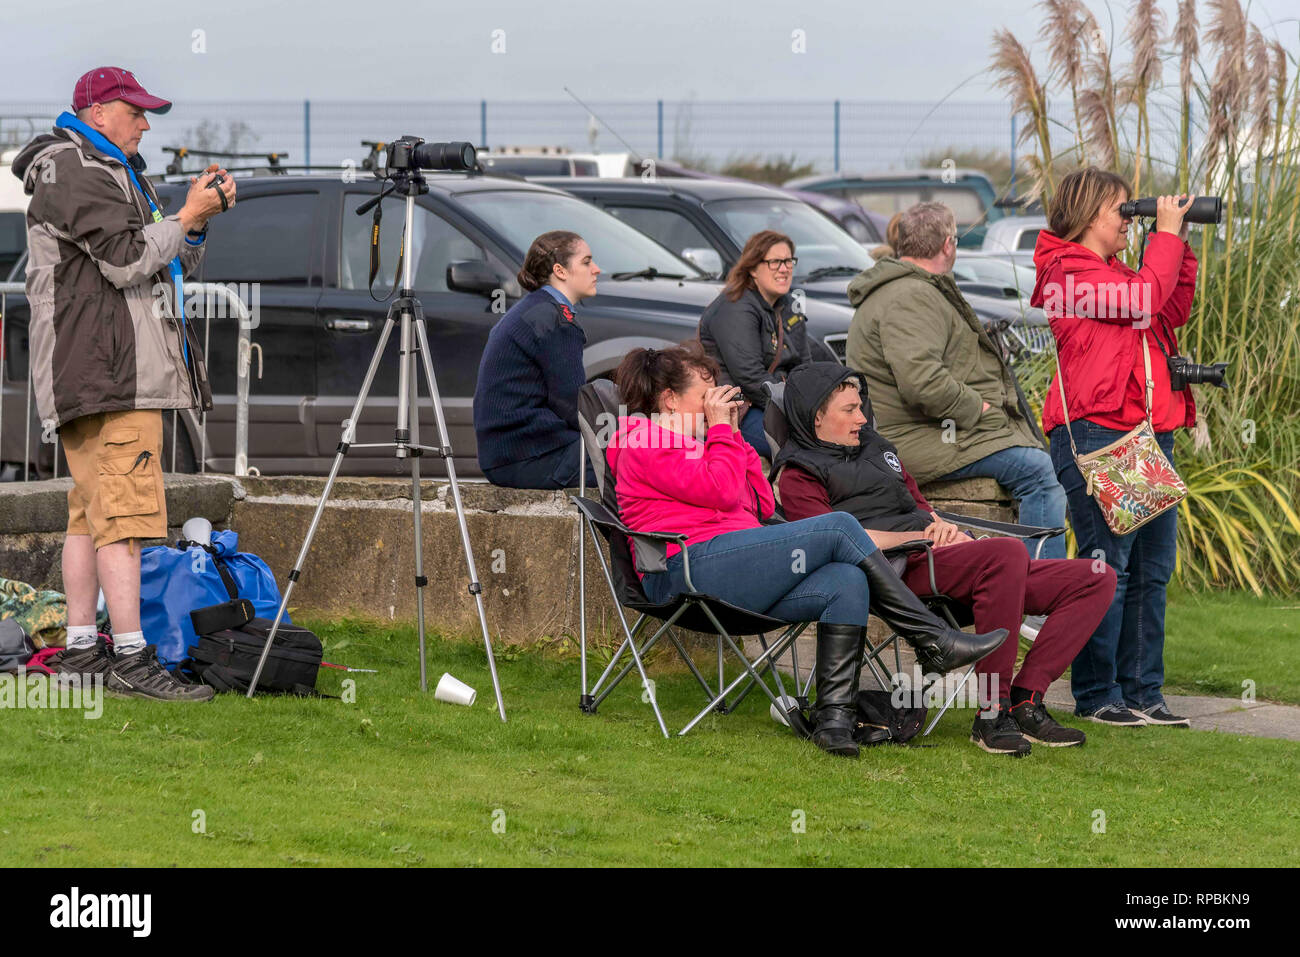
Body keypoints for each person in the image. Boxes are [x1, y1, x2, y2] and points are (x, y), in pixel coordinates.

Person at [608, 344, 1007, 757]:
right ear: (670, 399)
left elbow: (761, 504)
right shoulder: (644, 440)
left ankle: (834, 721)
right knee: (839, 525)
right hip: (685, 570)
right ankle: (932, 638)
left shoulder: (708, 444)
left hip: (735, 566)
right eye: (706, 392)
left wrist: (731, 440)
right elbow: (723, 491)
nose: (718, 399)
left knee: (846, 580)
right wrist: (722, 432)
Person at [13, 67, 236, 700]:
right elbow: (126, 260)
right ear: (99, 111)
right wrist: (188, 210)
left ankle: (84, 651)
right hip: (112, 374)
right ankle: (131, 660)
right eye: (136, 112)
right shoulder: (77, 168)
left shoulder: (110, 168)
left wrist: (195, 222)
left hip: (97, 373)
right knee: (129, 521)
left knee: (88, 516)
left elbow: (164, 255)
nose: (145, 123)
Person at [773, 363, 1117, 755]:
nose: (862, 418)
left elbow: (920, 507)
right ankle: (992, 712)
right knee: (1006, 554)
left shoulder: (878, 450)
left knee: (1095, 576)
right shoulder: (799, 474)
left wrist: (948, 531)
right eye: (849, 410)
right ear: (816, 417)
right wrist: (919, 537)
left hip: (939, 559)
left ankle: (1025, 701)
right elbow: (835, 541)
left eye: (860, 407)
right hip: (892, 575)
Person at [1031, 167, 1199, 728]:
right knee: (1110, 567)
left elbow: (1167, 311)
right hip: (1100, 432)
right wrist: (1165, 238)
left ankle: (1144, 692)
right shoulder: (1067, 272)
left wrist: (1179, 246)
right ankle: (1098, 694)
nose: (1130, 218)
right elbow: (1144, 300)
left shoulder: (1119, 271)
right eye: (1122, 209)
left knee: (1153, 567)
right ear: (1087, 214)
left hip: (1144, 433)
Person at [845, 202, 1068, 566]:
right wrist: (974, 407)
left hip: (925, 432)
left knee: (1034, 461)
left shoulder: (910, 290)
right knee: (1039, 474)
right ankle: (1041, 594)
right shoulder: (910, 296)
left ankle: (1033, 584)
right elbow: (922, 382)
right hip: (916, 439)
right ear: (948, 244)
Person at [474, 230, 600, 489]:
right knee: (638, 461)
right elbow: (573, 405)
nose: (596, 269)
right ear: (560, 271)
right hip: (530, 457)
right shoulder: (554, 320)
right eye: (586, 262)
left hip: (511, 455)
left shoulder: (537, 308)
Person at [698, 230, 813, 459]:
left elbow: (805, 362)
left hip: (776, 400)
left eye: (789, 261)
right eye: (774, 262)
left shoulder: (787, 303)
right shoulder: (736, 307)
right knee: (801, 447)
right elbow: (750, 377)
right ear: (752, 268)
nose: (784, 268)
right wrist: (797, 409)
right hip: (742, 407)